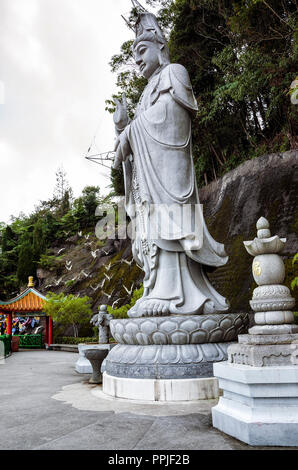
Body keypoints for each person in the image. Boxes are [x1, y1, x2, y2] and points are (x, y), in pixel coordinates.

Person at [113, 10, 229, 318]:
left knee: (170, 222)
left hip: (169, 175)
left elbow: (174, 119)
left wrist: (132, 132)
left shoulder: (174, 72)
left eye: (141, 51)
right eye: (133, 55)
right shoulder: (144, 94)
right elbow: (138, 137)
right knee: (151, 226)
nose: (137, 61)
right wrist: (124, 127)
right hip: (150, 183)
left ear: (161, 48)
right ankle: (158, 289)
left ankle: (174, 293)